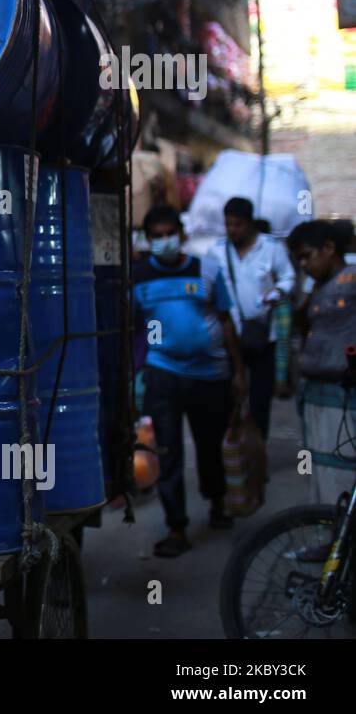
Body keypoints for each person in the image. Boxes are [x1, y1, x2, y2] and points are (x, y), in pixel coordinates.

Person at [133, 206, 246, 557]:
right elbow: (132, 328)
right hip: (163, 371)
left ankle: (217, 503)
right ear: (148, 240)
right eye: (156, 236)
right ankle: (176, 526)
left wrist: (239, 372)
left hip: (210, 374)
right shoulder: (137, 278)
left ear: (181, 235)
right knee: (167, 451)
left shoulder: (207, 270)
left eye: (169, 233)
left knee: (210, 445)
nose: (164, 241)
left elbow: (226, 320)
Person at [286, 220, 356, 505]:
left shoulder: (351, 281)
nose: (304, 264)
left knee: (340, 469)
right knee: (321, 468)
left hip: (341, 396)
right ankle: (328, 536)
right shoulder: (317, 289)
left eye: (307, 256)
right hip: (317, 394)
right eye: (299, 259)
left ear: (329, 248)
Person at [214, 197, 294, 438]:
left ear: (249, 223)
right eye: (228, 224)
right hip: (230, 336)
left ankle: (257, 453)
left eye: (237, 224)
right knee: (229, 397)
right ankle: (232, 450)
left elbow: (288, 278)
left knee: (260, 400)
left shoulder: (271, 248)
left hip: (262, 335)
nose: (232, 230)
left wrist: (277, 292)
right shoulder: (217, 251)